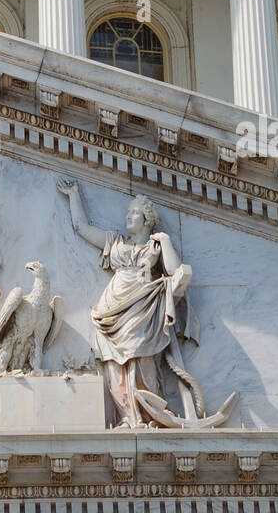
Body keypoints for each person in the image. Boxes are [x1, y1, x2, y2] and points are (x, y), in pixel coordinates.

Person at [56, 179, 199, 427]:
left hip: (143, 307)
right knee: (113, 363)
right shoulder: (116, 242)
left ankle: (148, 413)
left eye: (134, 212)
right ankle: (126, 416)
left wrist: (165, 241)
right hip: (112, 309)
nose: (128, 215)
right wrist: (73, 195)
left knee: (143, 356)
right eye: (129, 211)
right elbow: (82, 228)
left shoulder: (154, 246)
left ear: (146, 218)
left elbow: (177, 271)